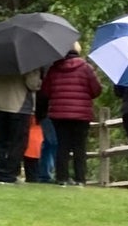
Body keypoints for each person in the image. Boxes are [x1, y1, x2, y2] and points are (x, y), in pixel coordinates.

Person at [38, 42, 100, 186]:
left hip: (59, 114)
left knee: (62, 146)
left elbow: (45, 91)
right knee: (80, 147)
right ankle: (80, 178)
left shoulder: (54, 69)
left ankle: (62, 178)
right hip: (81, 114)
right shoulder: (86, 68)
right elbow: (96, 90)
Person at [0, 64, 36, 184]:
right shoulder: (28, 62)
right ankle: (10, 173)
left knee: (0, 141)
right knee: (18, 142)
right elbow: (32, 84)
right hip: (20, 106)